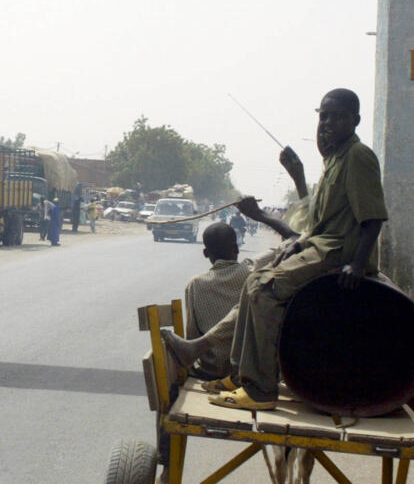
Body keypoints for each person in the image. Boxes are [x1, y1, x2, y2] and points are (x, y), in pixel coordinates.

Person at [162, 88, 388, 410]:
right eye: (323, 116)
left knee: (265, 291)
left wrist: (357, 263)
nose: (328, 124)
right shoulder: (336, 158)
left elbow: (374, 217)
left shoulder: (358, 157)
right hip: (323, 245)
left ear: (355, 120)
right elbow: (319, 221)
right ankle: (240, 375)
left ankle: (261, 389)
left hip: (339, 252)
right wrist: (297, 242)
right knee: (255, 280)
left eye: (338, 117)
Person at [182, 222, 278, 383]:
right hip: (247, 369)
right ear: (236, 248)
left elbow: (192, 332)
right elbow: (281, 249)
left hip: (213, 369)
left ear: (206, 253)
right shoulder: (251, 272)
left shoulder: (195, 284)